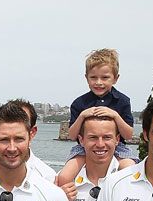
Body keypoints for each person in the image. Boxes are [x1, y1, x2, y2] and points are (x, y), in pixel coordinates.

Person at [58, 49, 137, 179]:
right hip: (84, 148)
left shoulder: (122, 101)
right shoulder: (79, 103)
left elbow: (128, 135)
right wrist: (82, 116)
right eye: (93, 78)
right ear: (86, 78)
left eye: (105, 78)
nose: (99, 82)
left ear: (115, 78)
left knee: (130, 171)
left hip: (118, 147)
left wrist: (115, 116)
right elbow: (72, 136)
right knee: (64, 177)